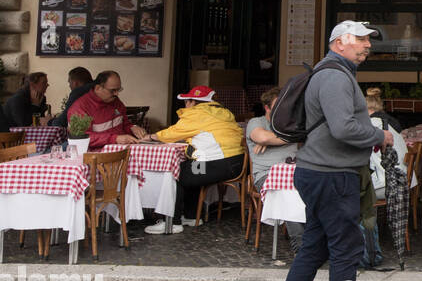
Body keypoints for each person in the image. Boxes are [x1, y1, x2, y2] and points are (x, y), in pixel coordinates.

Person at [272, 21, 392, 281]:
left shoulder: (332, 73)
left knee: (313, 249)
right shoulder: (336, 77)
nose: (368, 45)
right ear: (340, 42)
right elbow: (344, 129)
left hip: (322, 172)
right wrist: (380, 135)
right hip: (333, 175)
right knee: (346, 251)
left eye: (369, 40)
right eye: (361, 39)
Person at [141, 85, 245, 232]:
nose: (185, 105)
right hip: (236, 163)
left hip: (219, 164)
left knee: (174, 173)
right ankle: (191, 216)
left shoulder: (197, 114)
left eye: (186, 101)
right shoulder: (222, 112)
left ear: (192, 102)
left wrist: (151, 136)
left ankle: (172, 223)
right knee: (192, 168)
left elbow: (173, 133)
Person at [245, 87, 303, 251]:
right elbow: (262, 136)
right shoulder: (257, 122)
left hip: (295, 173)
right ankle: (301, 246)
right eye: (278, 106)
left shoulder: (293, 124)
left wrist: (273, 140)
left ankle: (320, 241)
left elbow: (307, 136)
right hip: (266, 176)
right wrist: (291, 136)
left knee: (320, 188)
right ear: (267, 108)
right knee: (287, 194)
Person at [362, 91, 408, 270]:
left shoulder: (373, 124)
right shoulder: (391, 123)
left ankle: (363, 253)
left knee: (352, 193)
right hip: (401, 181)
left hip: (386, 183)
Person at [67, 71, 148, 148]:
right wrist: (115, 139)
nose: (117, 94)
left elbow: (124, 123)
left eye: (118, 90)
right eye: (113, 90)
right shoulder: (79, 108)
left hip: (121, 151)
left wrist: (132, 128)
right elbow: (81, 138)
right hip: (96, 155)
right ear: (98, 88)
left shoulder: (115, 101)